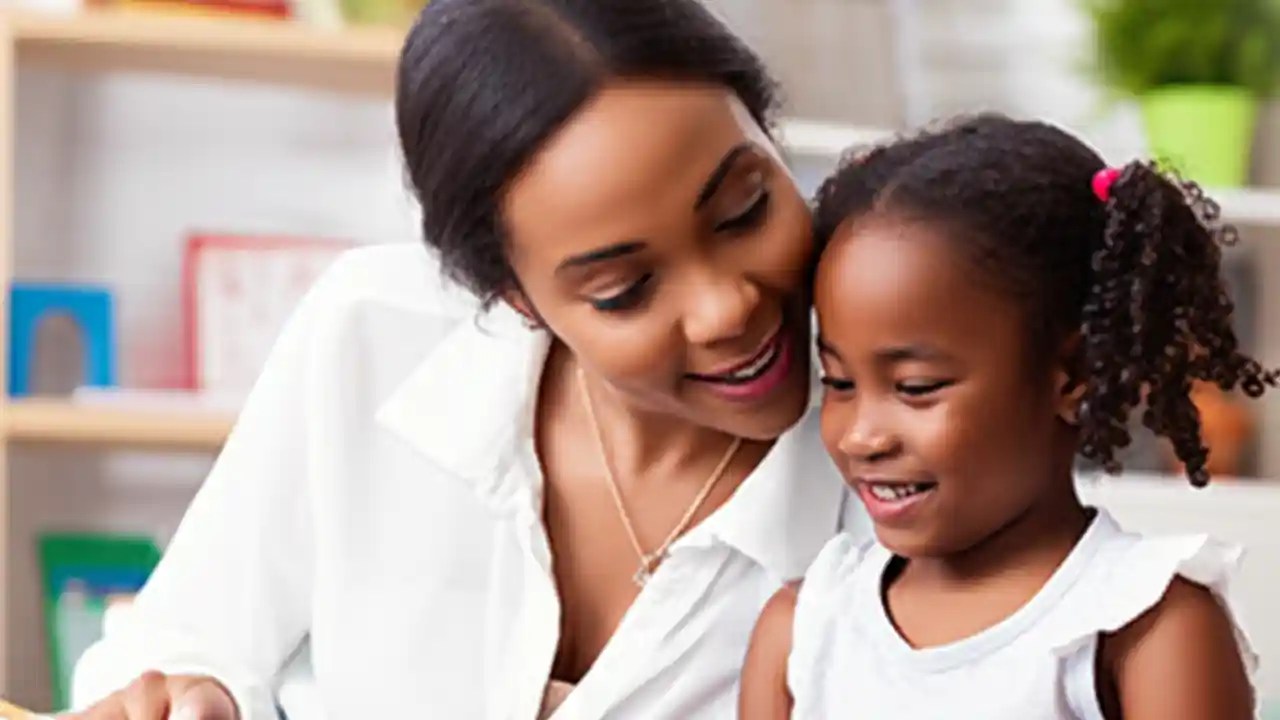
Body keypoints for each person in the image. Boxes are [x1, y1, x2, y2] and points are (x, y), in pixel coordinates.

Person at [65, 1, 862, 718]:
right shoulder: (373, 333)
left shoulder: (916, 434)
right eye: (625, 289)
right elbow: (179, 643)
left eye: (746, 208)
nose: (729, 308)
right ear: (513, 295)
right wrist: (189, 693)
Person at [739, 114, 1274, 719]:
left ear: (1075, 375)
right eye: (839, 382)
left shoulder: (1141, 627)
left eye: (915, 387)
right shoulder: (803, 631)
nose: (862, 435)